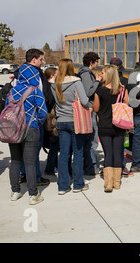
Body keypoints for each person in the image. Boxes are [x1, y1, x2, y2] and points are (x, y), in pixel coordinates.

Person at [7, 64, 48, 205]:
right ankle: (33, 194)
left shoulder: (12, 91)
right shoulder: (35, 91)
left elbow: (8, 109)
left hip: (13, 128)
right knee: (30, 162)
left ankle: (15, 192)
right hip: (31, 127)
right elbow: (43, 112)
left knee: (15, 161)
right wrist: (38, 122)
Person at [50, 59, 90, 194]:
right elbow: (84, 101)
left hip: (61, 121)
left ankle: (62, 186)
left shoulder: (54, 83)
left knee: (63, 154)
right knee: (78, 153)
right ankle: (78, 184)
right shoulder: (76, 82)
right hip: (75, 120)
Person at [15, 49, 51, 187]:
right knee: (34, 150)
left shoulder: (20, 73)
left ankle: (23, 174)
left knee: (22, 150)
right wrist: (41, 120)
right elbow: (40, 98)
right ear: (34, 59)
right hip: (33, 118)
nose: (42, 62)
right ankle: (35, 177)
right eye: (41, 59)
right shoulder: (35, 75)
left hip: (19, 118)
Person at [93, 65, 128, 192]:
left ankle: (108, 184)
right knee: (117, 153)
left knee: (108, 153)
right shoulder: (122, 90)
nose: (101, 75)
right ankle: (117, 183)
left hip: (104, 126)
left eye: (102, 73)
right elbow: (126, 106)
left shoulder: (100, 91)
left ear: (107, 75)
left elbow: (96, 109)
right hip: (119, 126)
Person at [78, 52, 102, 176]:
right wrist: (97, 81)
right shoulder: (86, 73)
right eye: (97, 61)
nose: (98, 64)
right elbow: (88, 91)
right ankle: (91, 166)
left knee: (90, 139)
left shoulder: (83, 72)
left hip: (88, 110)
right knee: (92, 140)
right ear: (91, 62)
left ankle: (88, 165)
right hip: (89, 110)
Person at [109, 57, 132, 177]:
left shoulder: (105, 83)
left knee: (109, 146)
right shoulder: (125, 82)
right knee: (121, 144)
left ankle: (110, 168)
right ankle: (120, 167)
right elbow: (127, 102)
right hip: (120, 118)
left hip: (107, 118)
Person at [43, 67, 59, 175]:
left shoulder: (46, 87)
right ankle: (50, 167)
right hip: (51, 120)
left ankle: (53, 166)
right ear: (52, 76)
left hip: (49, 119)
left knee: (54, 144)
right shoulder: (50, 88)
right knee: (54, 143)